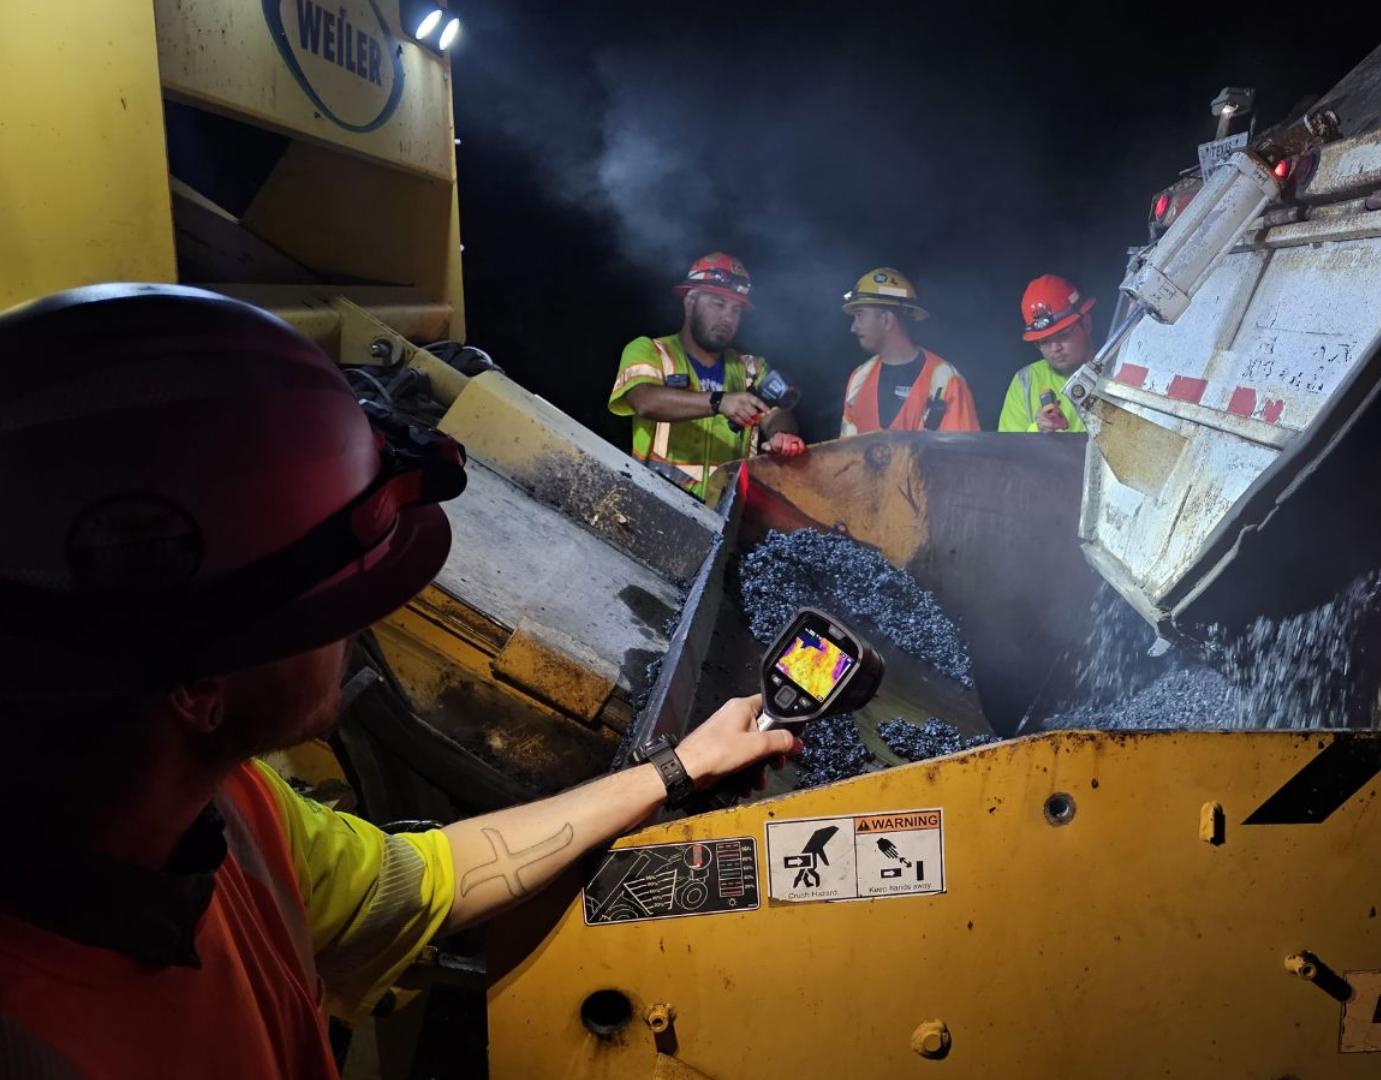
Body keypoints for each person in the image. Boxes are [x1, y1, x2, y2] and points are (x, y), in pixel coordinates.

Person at [0, 284, 800, 1078]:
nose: (357, 627)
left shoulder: (228, 814)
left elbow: (426, 880)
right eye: (330, 606)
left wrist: (675, 768)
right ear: (197, 682)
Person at [609, 252, 803, 502]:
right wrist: (719, 401)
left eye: (736, 310)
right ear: (690, 302)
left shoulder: (751, 368)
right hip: (654, 499)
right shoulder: (651, 350)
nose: (728, 318)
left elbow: (777, 414)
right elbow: (645, 401)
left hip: (725, 513)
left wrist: (781, 435)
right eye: (718, 304)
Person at [838, 267, 980, 435]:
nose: (853, 327)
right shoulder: (859, 379)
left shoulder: (945, 380)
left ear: (885, 319)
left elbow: (963, 456)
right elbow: (846, 453)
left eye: (860, 315)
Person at [999, 274, 1095, 434]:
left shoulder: (1119, 371)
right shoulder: (1025, 381)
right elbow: (1008, 453)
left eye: (1063, 335)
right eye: (1044, 341)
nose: (1054, 348)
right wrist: (1038, 430)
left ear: (1086, 324)